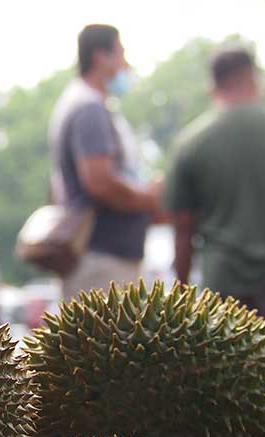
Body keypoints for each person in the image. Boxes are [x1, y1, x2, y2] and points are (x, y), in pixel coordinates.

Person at [166, 45, 265, 330]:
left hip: (224, 282)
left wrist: (181, 295)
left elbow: (183, 229)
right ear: (254, 78)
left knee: (223, 360)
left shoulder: (191, 142)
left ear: (212, 85)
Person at [49, 24, 161, 300]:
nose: (126, 64)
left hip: (102, 259)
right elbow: (99, 182)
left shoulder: (82, 102)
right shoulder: (89, 107)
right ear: (101, 57)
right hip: (102, 260)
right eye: (121, 53)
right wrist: (149, 197)